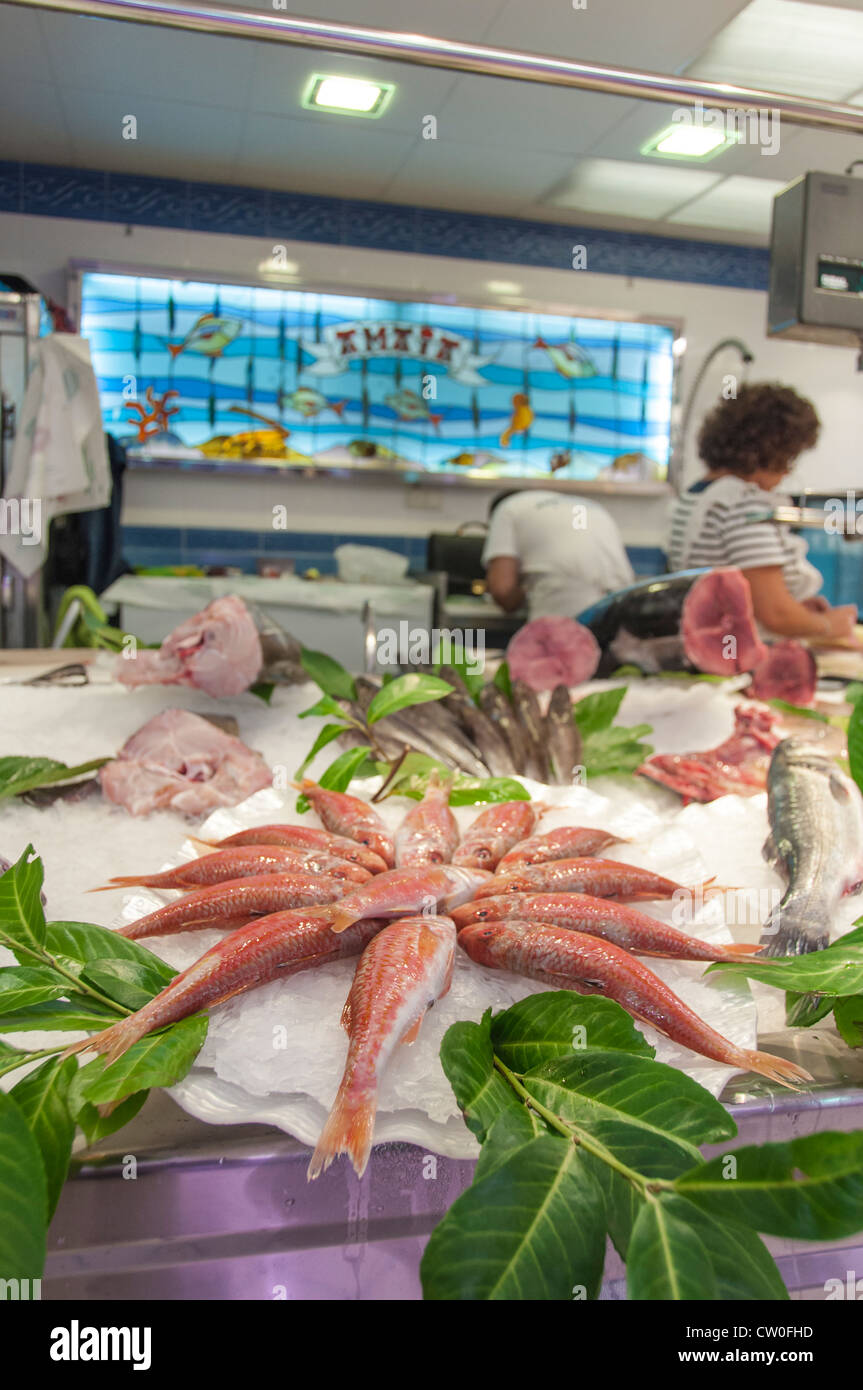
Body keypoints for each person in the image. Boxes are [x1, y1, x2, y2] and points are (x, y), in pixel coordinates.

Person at [668, 383, 858, 642]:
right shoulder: (743, 504)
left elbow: (754, 592)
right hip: (742, 651)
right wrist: (827, 625)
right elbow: (775, 614)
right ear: (766, 452)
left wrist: (800, 611)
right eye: (789, 458)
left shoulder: (697, 496)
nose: (788, 472)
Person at [482, 488, 635, 620]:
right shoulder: (585, 506)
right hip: (625, 601)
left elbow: (502, 591)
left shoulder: (506, 509)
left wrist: (519, 596)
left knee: (552, 650)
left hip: (566, 600)